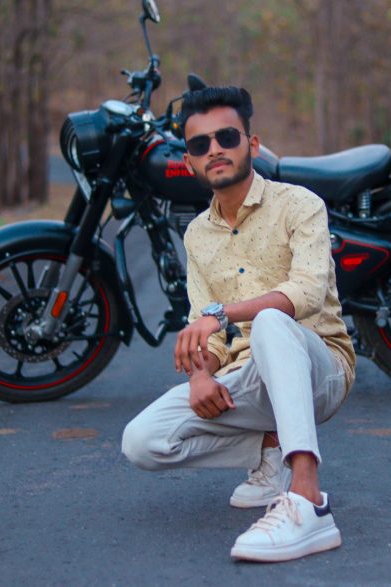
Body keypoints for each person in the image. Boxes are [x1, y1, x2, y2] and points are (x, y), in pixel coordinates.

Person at [121, 85, 357, 562]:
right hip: (247, 377)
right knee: (142, 442)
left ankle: (307, 499)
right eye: (200, 144)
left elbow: (306, 293)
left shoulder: (300, 204)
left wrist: (224, 314)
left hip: (319, 370)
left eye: (226, 137)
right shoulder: (197, 235)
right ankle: (268, 450)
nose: (214, 150)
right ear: (189, 161)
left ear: (252, 143)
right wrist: (201, 374)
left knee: (270, 321)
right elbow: (207, 332)